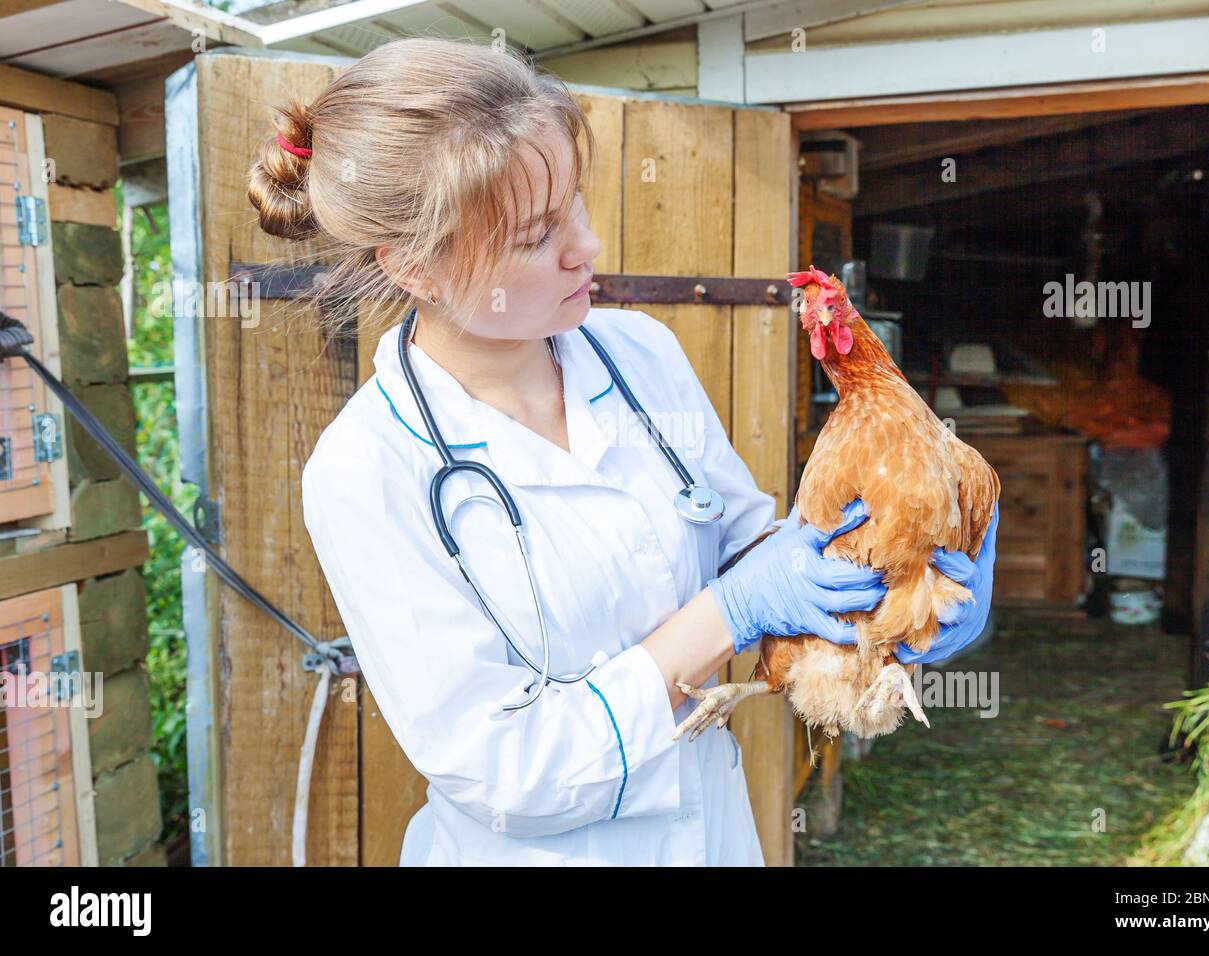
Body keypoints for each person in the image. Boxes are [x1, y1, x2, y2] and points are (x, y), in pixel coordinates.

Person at [247, 36, 996, 867]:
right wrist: (733, 611)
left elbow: (750, 548)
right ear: (416, 267)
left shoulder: (639, 354)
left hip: (715, 841)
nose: (586, 246)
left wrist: (884, 590)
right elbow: (506, 770)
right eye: (537, 234)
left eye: (575, 201)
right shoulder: (366, 470)